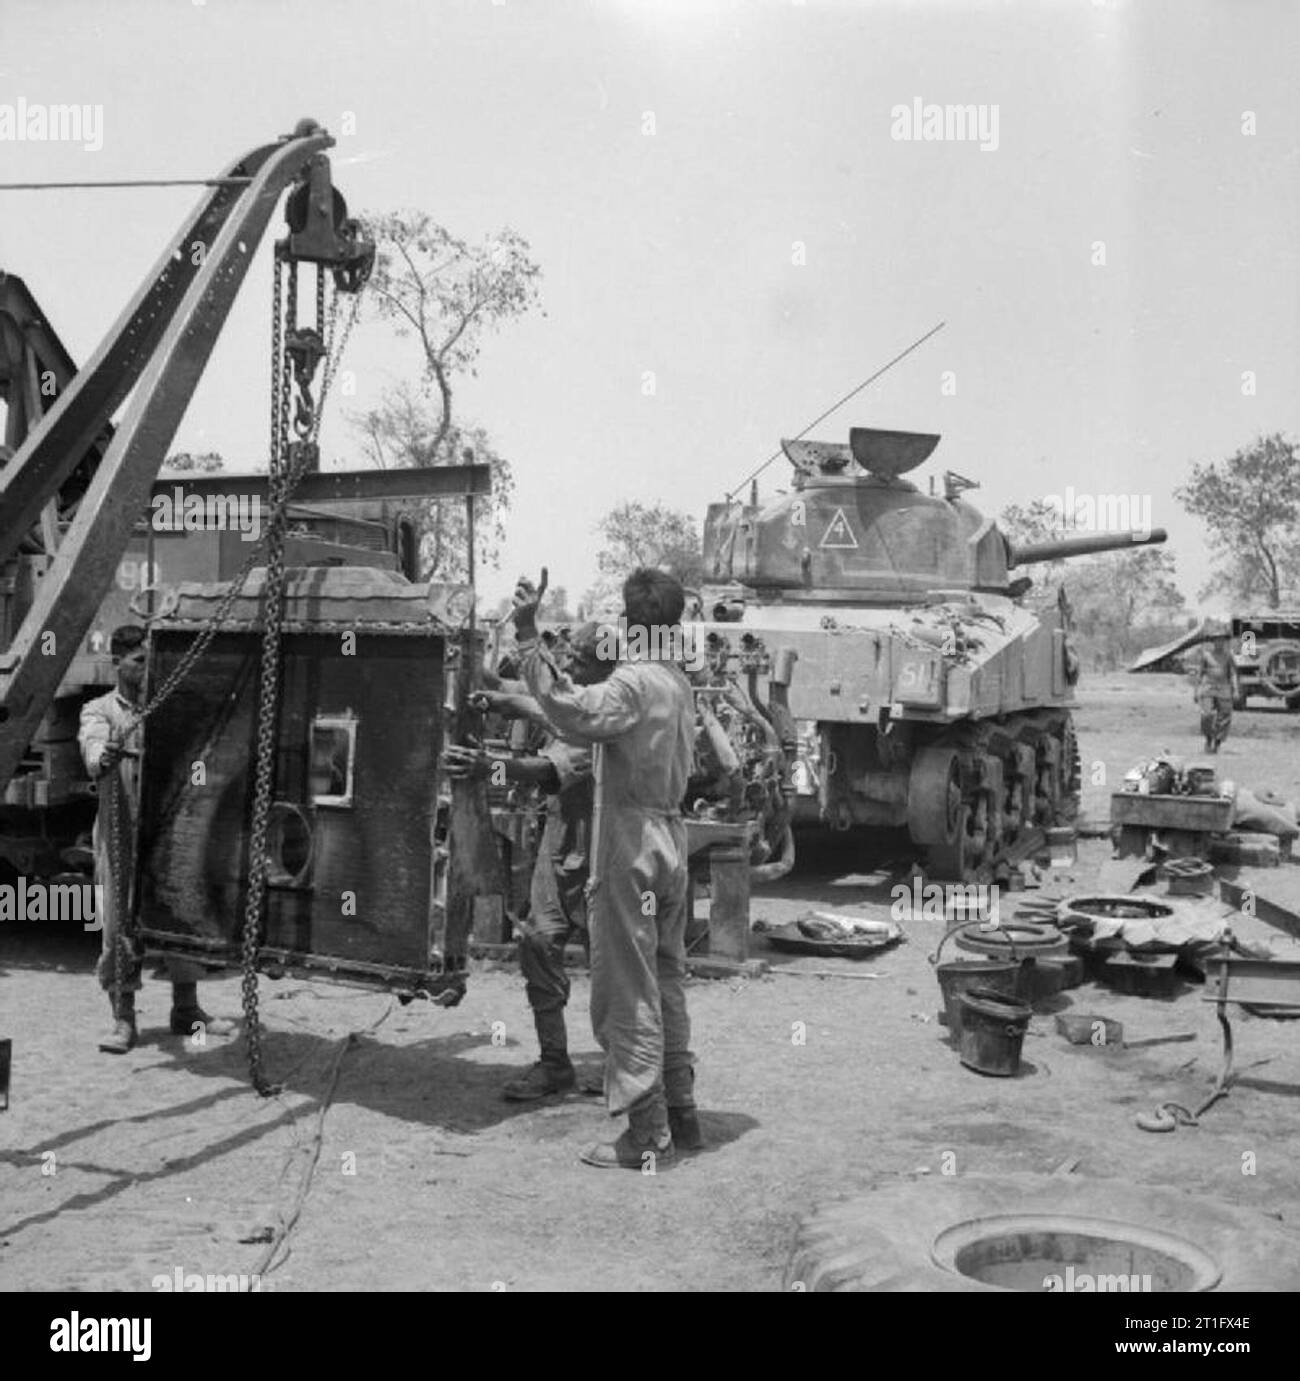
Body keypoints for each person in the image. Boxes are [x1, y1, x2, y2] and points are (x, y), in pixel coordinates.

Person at [514, 567, 700, 1169]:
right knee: (666, 977)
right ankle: (682, 1110)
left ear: (630, 621)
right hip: (671, 839)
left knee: (627, 986)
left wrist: (526, 639)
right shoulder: (676, 682)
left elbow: (571, 710)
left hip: (631, 843)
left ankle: (647, 1134)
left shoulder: (635, 684)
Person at [441, 624, 611, 1101]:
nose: (569, 665)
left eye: (578, 658)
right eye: (566, 657)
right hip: (561, 846)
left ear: (605, 666)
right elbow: (538, 704)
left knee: (616, 967)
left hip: (601, 855)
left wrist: (486, 767)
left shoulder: (606, 714)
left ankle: (631, 1067)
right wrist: (495, 698)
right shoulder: (581, 701)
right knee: (537, 945)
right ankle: (556, 1064)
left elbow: (546, 770)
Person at [79, 625, 235, 1053]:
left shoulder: (170, 709)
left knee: (180, 917)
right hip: (121, 835)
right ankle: (123, 1019)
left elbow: (198, 765)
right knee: (119, 924)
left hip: (170, 837)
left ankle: (186, 1011)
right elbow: (92, 751)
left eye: (151, 661)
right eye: (138, 662)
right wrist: (103, 755)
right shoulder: (100, 711)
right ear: (118, 664)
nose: (147, 669)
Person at [1187, 625, 1238, 754]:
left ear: (1224, 641)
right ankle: (1209, 738)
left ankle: (1217, 742)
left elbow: (1232, 673)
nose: (1219, 642)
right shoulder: (1206, 655)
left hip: (1224, 688)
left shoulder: (1228, 656)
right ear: (1213, 641)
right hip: (1208, 687)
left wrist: (1235, 689)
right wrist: (1196, 691)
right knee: (1207, 715)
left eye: (1221, 640)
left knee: (1225, 716)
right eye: (1216, 640)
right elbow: (1200, 673)